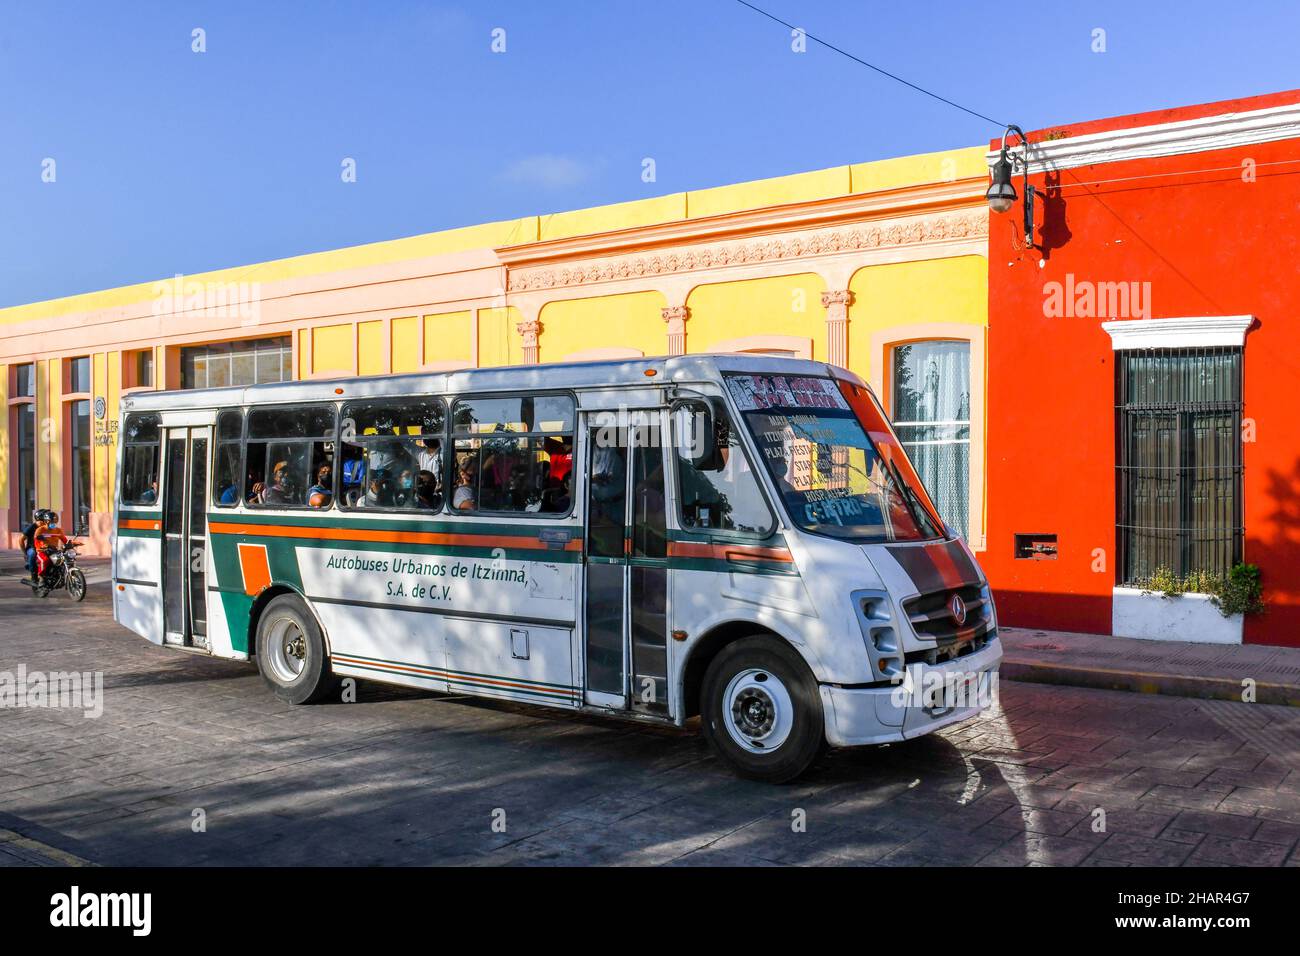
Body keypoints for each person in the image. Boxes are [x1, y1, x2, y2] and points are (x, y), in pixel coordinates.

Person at [33, 509, 69, 590]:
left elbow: (64, 540)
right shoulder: (40, 530)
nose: (53, 523)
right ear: (46, 521)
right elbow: (36, 541)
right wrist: (41, 547)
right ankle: (41, 577)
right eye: (51, 521)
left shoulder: (58, 530)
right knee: (44, 560)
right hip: (42, 551)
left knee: (63, 560)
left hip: (53, 550)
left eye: (55, 521)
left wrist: (70, 544)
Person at [20, 511, 38, 584]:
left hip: (43, 547)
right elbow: (21, 539)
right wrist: (24, 553)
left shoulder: (47, 527)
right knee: (33, 554)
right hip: (32, 548)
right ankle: (33, 576)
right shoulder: (31, 527)